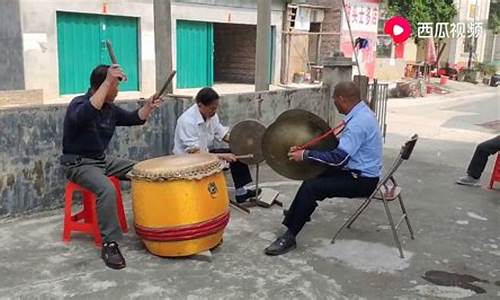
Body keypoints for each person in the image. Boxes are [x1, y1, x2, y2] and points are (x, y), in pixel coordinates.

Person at [264, 81, 383, 256]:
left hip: (362, 180)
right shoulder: (361, 113)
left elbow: (338, 158)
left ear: (342, 99)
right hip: (356, 170)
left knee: (312, 187)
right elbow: (338, 150)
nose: (334, 103)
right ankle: (300, 212)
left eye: (334, 99)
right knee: (313, 172)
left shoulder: (359, 123)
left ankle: (289, 237)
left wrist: (305, 155)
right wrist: (308, 150)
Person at [60, 64, 161, 269]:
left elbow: (134, 118)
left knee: (144, 170)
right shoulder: (78, 104)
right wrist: (108, 81)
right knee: (106, 189)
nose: (117, 90)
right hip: (78, 163)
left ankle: (156, 221)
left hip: (101, 160)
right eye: (115, 86)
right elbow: (86, 114)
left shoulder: (110, 109)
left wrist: (148, 106)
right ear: (102, 86)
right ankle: (110, 243)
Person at [173, 87, 260, 203]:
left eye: (216, 108)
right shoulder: (187, 121)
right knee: (227, 156)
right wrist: (223, 156)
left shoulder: (212, 115)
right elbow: (195, 152)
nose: (214, 111)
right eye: (212, 108)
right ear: (200, 105)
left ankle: (241, 192)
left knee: (236, 154)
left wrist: (242, 143)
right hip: (188, 159)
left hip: (204, 153)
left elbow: (222, 134)